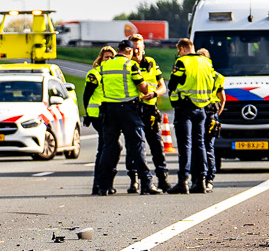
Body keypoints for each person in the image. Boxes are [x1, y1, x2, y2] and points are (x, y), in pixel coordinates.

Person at [87, 44, 148, 195]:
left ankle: (103, 185)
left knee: (108, 148)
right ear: (129, 51)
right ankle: (146, 183)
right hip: (128, 110)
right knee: (136, 146)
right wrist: (147, 88)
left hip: (109, 111)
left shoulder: (103, 67)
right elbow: (143, 88)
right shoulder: (131, 65)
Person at [168, 38, 224, 193]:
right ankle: (200, 181)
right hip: (202, 108)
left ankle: (183, 181)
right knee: (200, 144)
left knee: (185, 144)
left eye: (178, 50)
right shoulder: (206, 62)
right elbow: (212, 83)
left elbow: (172, 83)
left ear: (182, 48)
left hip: (184, 107)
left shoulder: (182, 62)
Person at [122, 32, 172, 194]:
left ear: (143, 47)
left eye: (138, 48)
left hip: (150, 109)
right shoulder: (126, 64)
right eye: (133, 48)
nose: (136, 51)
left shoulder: (150, 62)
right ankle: (134, 180)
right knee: (133, 146)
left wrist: (155, 94)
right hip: (133, 109)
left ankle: (163, 179)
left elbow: (162, 86)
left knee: (156, 145)